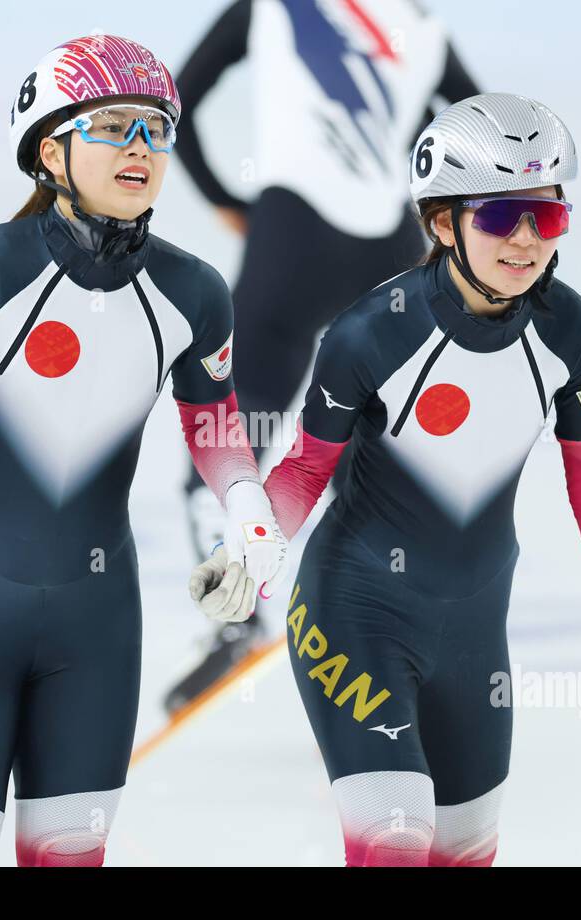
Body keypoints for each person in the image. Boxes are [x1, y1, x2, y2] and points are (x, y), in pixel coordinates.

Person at [193, 92, 581, 866]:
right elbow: (309, 465)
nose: (524, 241)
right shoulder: (372, 332)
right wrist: (247, 544)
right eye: (498, 217)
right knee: (395, 837)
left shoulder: (573, 334)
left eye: (545, 218)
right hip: (354, 612)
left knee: (464, 851)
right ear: (443, 222)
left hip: (474, 632)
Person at [0, 34, 285, 867]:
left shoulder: (194, 293)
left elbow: (215, 426)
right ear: (51, 149)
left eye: (156, 130)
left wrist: (247, 509)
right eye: (115, 126)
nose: (141, 147)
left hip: (94, 626)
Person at [166, 0, 482, 712]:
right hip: (391, 253)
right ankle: (380, 638)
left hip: (288, 243)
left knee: (226, 446)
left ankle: (236, 622)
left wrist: (227, 202)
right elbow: (489, 140)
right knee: (377, 473)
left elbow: (176, 103)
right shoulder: (426, 31)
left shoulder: (270, 7)